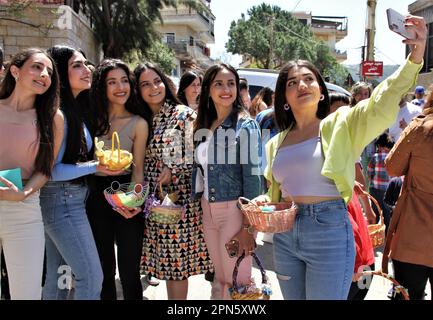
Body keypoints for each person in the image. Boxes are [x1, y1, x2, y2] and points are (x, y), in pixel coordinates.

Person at [253, 15, 426, 300]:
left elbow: (381, 100)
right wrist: (265, 202)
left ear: (321, 91)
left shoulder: (341, 123)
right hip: (284, 238)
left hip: (329, 231)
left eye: (309, 79)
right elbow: (278, 197)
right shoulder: (275, 144)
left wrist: (415, 57)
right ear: (284, 96)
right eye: (292, 82)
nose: (302, 85)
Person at [135, 62, 212, 300]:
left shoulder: (182, 114)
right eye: (145, 84)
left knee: (176, 266)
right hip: (150, 199)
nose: (153, 88)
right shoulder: (142, 116)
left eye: (157, 81)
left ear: (165, 83)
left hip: (176, 200)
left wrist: (173, 166)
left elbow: (198, 152)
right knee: (165, 266)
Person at [39, 45, 111, 300]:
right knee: (91, 277)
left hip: (64, 201)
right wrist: (95, 166)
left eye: (85, 63)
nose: (86, 70)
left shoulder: (72, 109)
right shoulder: (59, 114)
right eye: (76, 66)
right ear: (60, 72)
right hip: (62, 202)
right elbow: (50, 171)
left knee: (59, 278)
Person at [192, 63, 262, 300]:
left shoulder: (246, 125)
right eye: (219, 84)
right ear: (208, 89)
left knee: (239, 283)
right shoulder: (204, 123)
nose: (226, 89)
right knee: (220, 281)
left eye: (231, 83)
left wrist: (248, 228)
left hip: (234, 211)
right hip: (207, 209)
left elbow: (253, 180)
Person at [0, 48, 64, 299]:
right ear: (15, 71)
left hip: (24, 210)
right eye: (37, 67)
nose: (44, 74)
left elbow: (45, 169)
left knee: (27, 294)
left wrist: (24, 192)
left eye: (49, 71)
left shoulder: (53, 118)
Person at [86, 59, 149, 300]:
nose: (120, 87)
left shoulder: (138, 123)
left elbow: (138, 169)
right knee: (104, 268)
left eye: (124, 80)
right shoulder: (91, 120)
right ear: (101, 87)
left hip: (127, 192)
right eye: (112, 82)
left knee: (130, 269)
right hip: (96, 194)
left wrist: (133, 202)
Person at [382, 82, 433, 300]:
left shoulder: (420, 128)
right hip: (415, 235)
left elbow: (393, 167)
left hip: (414, 235)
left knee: (408, 295)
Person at [367, 132, 394, 230]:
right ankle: (387, 235)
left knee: (376, 211)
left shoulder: (375, 157)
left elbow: (369, 173)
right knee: (387, 214)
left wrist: (372, 180)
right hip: (388, 190)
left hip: (375, 189)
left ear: (379, 145)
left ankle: (375, 233)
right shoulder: (393, 157)